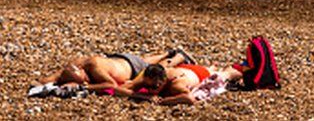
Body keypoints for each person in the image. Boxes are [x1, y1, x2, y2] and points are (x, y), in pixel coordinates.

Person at [34, 49, 195, 93]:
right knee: (144, 59)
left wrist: (85, 87)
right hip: (117, 60)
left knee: (150, 65)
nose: (84, 80)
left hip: (130, 67)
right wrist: (41, 84)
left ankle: (176, 56)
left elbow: (110, 84)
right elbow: (51, 78)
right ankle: (169, 52)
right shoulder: (71, 67)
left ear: (82, 73)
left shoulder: (95, 68)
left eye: (82, 79)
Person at [114, 62, 244, 105]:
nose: (149, 89)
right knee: (211, 69)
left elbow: (189, 98)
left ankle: (244, 69)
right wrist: (144, 96)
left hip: (198, 74)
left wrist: (164, 101)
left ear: (163, 81)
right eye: (147, 85)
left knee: (227, 74)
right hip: (185, 68)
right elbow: (117, 90)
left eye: (154, 86)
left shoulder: (176, 85)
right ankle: (212, 66)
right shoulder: (151, 78)